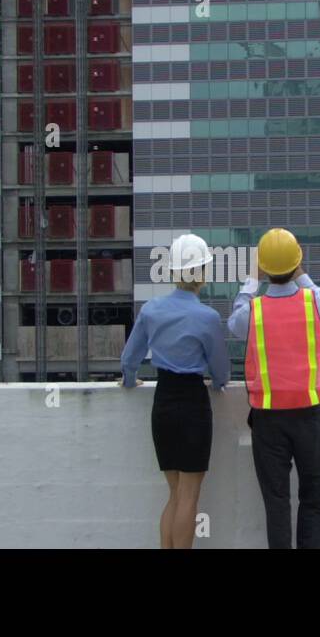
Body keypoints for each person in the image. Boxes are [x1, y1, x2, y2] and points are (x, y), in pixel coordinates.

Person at [228, 228, 320, 549]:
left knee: (276, 502)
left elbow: (234, 322)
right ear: (298, 263)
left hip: (268, 419)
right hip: (309, 415)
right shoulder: (316, 305)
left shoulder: (253, 312)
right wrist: (302, 276)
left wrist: (251, 280)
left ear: (262, 268)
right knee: (314, 496)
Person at [120, 234, 230, 549]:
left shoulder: (152, 310)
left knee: (174, 493)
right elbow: (220, 371)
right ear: (203, 273)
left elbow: (130, 360)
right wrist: (220, 384)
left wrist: (129, 380)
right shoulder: (207, 317)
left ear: (173, 271)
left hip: (163, 402)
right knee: (189, 497)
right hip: (193, 404)